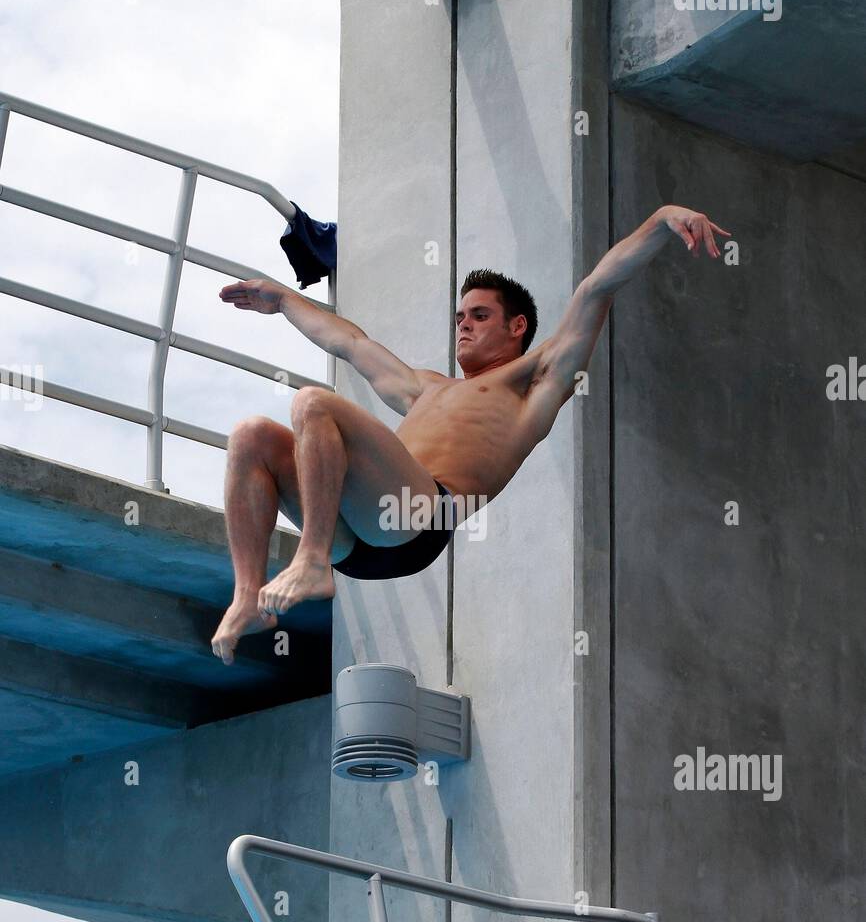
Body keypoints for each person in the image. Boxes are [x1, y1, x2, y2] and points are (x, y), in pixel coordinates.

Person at [211, 204, 729, 664]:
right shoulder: (425, 389)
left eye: (480, 316)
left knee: (312, 401)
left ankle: (312, 559)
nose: (464, 325)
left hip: (420, 520)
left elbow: (597, 287)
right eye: (460, 316)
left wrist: (662, 221)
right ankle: (246, 598)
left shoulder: (535, 382)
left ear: (517, 327)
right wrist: (282, 301)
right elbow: (348, 342)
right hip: (363, 532)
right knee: (251, 435)